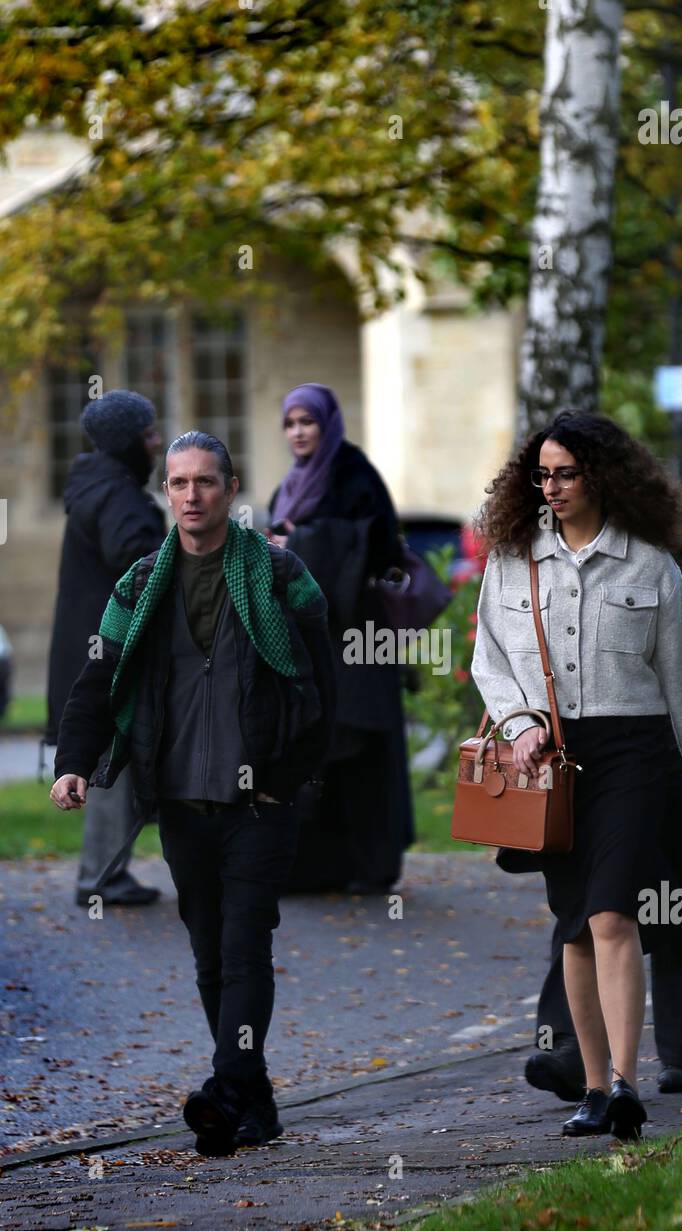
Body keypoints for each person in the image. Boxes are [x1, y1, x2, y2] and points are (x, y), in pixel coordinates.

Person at [50, 431, 335, 1155]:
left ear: (230, 490)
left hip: (258, 806)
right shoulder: (141, 584)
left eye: (204, 482)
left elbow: (321, 688)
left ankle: (227, 1090)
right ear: (165, 492)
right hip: (178, 799)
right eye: (177, 483)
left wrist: (288, 782)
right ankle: (255, 1100)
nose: (190, 495)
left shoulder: (278, 574)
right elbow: (99, 677)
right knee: (209, 954)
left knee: (243, 948)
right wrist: (74, 761)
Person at [470, 409, 682, 1140]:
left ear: (601, 477)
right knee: (576, 928)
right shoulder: (511, 557)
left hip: (634, 753)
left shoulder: (650, 564)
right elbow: (488, 661)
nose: (551, 487)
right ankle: (591, 1087)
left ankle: (625, 1085)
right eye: (542, 474)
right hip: (550, 760)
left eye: (566, 474)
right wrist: (520, 726)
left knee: (614, 913)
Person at [522, 543, 682, 1102]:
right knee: (590, 904)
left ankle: (679, 1051)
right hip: (600, 761)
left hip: (673, 757)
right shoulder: (558, 557)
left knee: (680, 898)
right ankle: (568, 1047)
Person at [265, 383, 414, 894]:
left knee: (359, 750)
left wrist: (298, 543)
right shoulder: (289, 485)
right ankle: (316, 867)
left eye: (307, 421)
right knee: (316, 751)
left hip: (358, 643)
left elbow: (378, 550)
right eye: (290, 423)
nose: (298, 432)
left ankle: (370, 867)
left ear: (327, 424)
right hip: (311, 645)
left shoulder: (354, 475)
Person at [45, 390, 166, 906]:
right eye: (149, 434)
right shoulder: (119, 497)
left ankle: (103, 874)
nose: (158, 442)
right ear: (128, 442)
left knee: (108, 758)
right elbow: (140, 570)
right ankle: (101, 877)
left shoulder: (96, 487)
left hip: (90, 645)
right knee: (113, 760)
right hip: (111, 650)